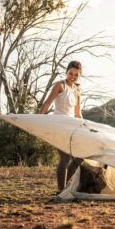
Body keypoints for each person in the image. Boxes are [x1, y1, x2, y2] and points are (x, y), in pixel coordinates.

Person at [39, 60, 84, 193]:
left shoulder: (77, 90)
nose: (73, 77)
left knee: (79, 157)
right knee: (64, 157)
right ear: (67, 71)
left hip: (72, 126)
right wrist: (40, 118)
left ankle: (63, 188)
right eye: (71, 73)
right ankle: (61, 190)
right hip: (58, 124)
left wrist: (83, 126)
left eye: (76, 75)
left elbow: (77, 112)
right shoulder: (60, 85)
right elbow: (47, 103)